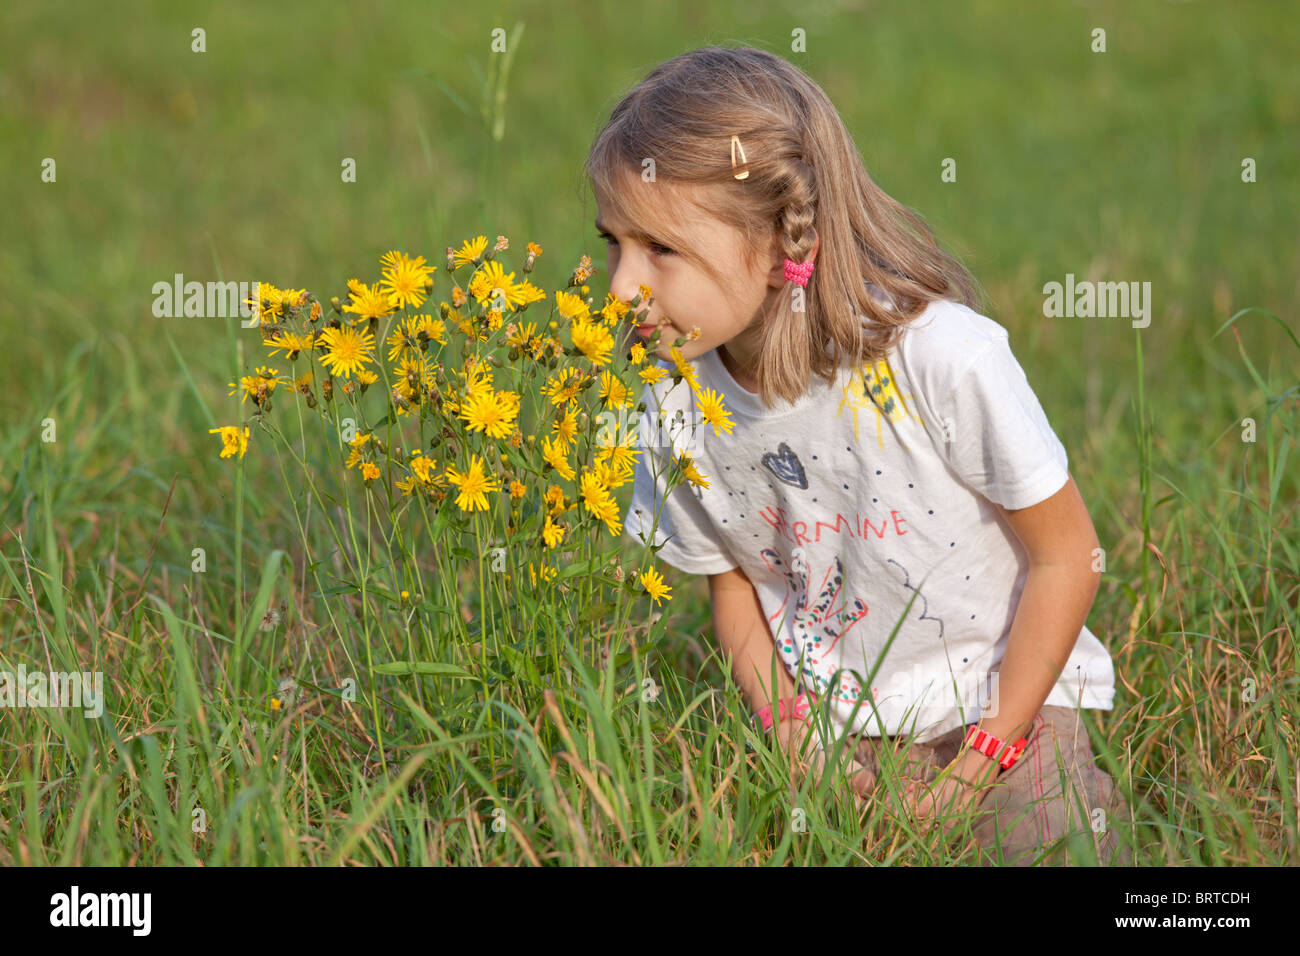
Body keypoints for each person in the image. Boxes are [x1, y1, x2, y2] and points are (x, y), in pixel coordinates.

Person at [589, 46, 1133, 866]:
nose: (620, 289)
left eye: (660, 251)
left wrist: (985, 758)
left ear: (780, 244)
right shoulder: (671, 402)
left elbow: (1067, 557)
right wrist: (797, 743)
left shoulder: (941, 359)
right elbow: (735, 581)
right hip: (831, 736)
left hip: (997, 706)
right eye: (613, 245)